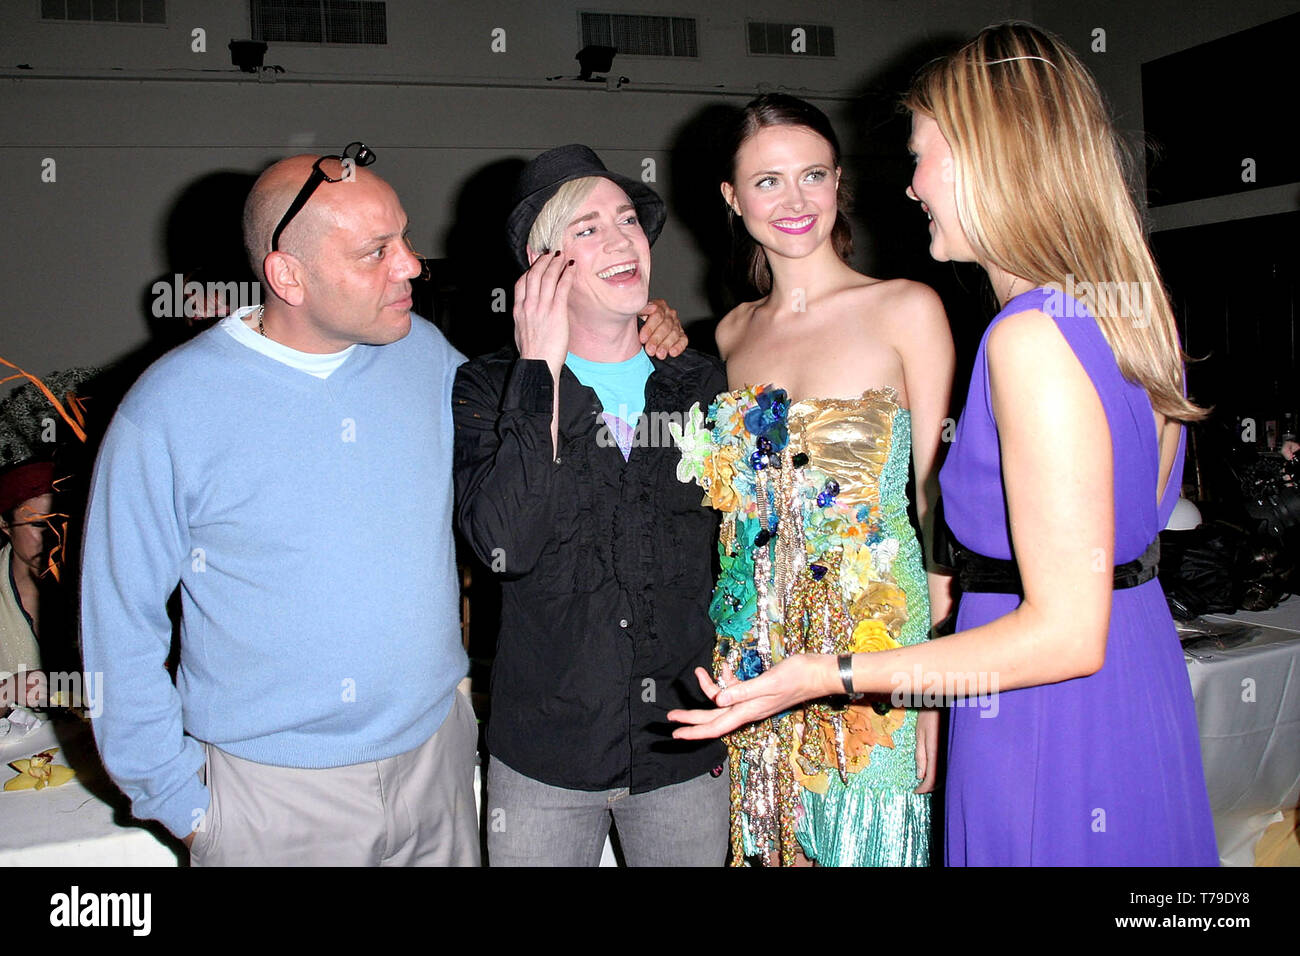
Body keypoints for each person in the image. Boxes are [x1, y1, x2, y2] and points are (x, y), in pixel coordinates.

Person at [671, 22, 1220, 866]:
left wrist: (839, 675)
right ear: (731, 198)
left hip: (1037, 709)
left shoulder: (1027, 336)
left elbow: (1067, 630)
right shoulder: (1122, 310)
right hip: (1127, 686)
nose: (913, 184)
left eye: (922, 155)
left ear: (989, 158)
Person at [80, 145, 480, 866]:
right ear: (287, 275)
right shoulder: (170, 409)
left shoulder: (426, 354)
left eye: (406, 238)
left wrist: (630, 337)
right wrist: (185, 806)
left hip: (437, 764)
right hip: (272, 798)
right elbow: (118, 623)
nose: (413, 265)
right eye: (376, 252)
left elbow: (532, 447)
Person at [679, 94, 953, 866]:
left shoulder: (906, 308)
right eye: (767, 182)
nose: (794, 200)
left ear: (839, 183)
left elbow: (934, 502)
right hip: (756, 650)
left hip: (874, 647)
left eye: (813, 175)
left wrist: (927, 683)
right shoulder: (730, 333)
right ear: (732, 200)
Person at [453, 144, 729, 866]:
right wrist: (540, 370)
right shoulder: (486, 389)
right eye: (587, 229)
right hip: (544, 759)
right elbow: (504, 542)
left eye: (628, 220)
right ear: (541, 266)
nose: (620, 239)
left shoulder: (700, 384)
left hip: (682, 743)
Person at [0, 460, 55, 710]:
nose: (54, 537)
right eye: (40, 524)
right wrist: (7, 690)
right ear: (5, 525)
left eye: (63, 521)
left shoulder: (96, 582)